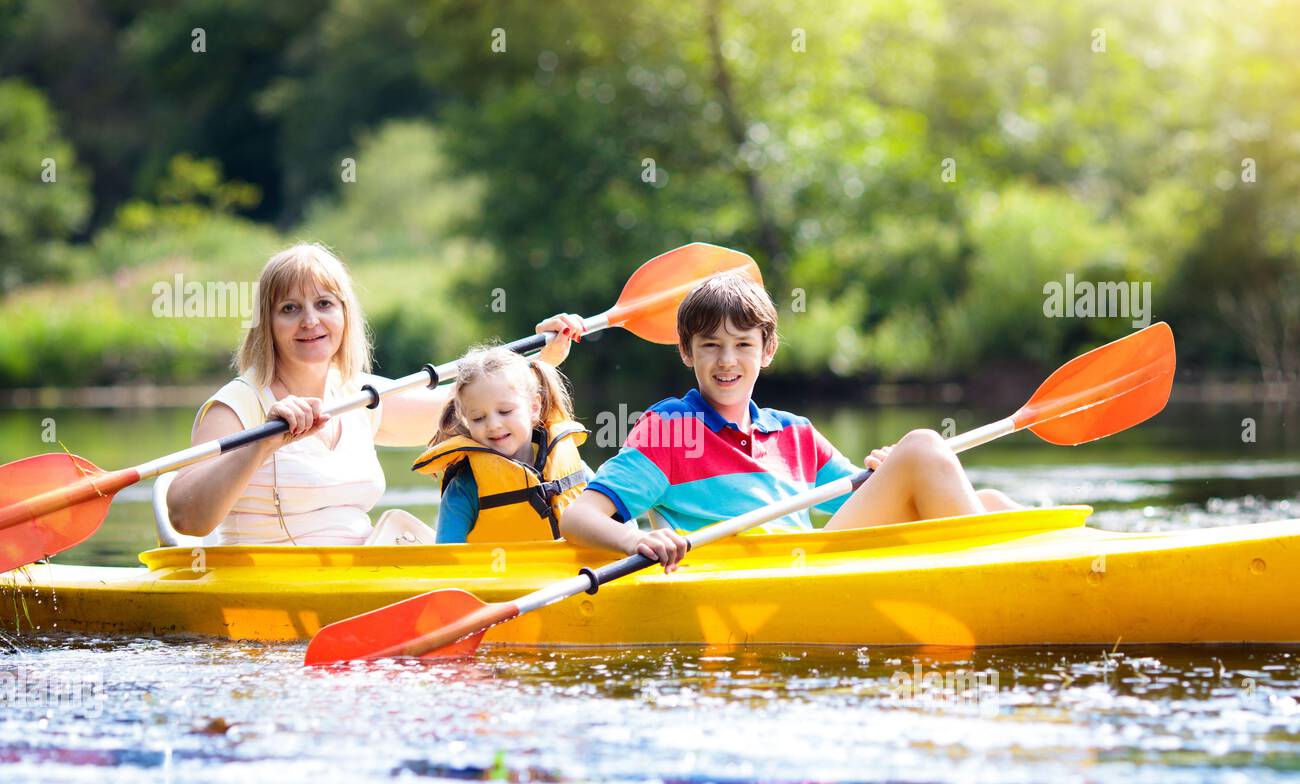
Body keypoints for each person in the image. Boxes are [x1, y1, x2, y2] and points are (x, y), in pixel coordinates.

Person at [559, 271, 1020, 571]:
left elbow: (856, 504)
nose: (727, 360)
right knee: (921, 446)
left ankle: (1068, 569)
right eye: (710, 345)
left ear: (768, 351)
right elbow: (579, 517)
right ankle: (1001, 584)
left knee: (991, 500)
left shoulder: (793, 431)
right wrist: (634, 540)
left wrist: (886, 473)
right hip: (773, 576)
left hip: (811, 563)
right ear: (686, 352)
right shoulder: (671, 429)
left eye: (743, 345)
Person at [166, 242, 584, 545]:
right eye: (289, 309)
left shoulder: (356, 394)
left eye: (324, 304)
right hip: (268, 583)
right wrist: (262, 445)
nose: (310, 321)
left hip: (358, 575)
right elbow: (186, 518)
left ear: (345, 314)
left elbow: (475, 405)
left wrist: (540, 361)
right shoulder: (236, 405)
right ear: (267, 324)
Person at [411, 345, 593, 543]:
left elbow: (615, 518)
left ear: (534, 407)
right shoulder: (464, 489)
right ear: (466, 421)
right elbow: (447, 558)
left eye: (505, 411)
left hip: (580, 572)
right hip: (497, 574)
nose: (493, 425)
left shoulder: (575, 468)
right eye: (478, 418)